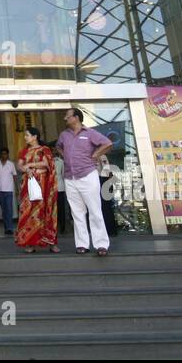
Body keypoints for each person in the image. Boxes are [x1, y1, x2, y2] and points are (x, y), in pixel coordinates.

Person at [55, 106, 113, 255]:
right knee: (77, 213)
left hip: (87, 175)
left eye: (67, 116)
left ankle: (101, 245)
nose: (65, 119)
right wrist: (66, 157)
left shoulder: (90, 133)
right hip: (70, 178)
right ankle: (82, 244)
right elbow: (58, 147)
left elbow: (107, 143)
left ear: (76, 118)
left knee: (94, 211)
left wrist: (95, 155)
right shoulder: (64, 135)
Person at [15, 127, 59, 253]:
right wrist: (26, 169)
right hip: (28, 184)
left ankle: (51, 242)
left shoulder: (44, 150)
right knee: (28, 212)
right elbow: (19, 165)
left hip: (44, 184)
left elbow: (47, 164)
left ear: (35, 137)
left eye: (27, 135)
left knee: (45, 210)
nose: (25, 137)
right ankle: (30, 243)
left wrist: (30, 165)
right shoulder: (24, 151)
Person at [0, 147, 18, 235]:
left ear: (7, 154)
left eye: (5, 154)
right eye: (2, 154)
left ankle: (9, 228)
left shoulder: (11, 164)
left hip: (9, 190)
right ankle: (6, 227)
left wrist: (17, 188)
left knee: (9, 209)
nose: (4, 155)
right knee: (4, 210)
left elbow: (15, 176)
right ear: (0, 155)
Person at [54, 152, 69, 234]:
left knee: (60, 208)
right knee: (55, 209)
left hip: (58, 188)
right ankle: (57, 227)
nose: (53, 152)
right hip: (54, 188)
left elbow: (64, 175)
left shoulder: (60, 162)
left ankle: (61, 226)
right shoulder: (48, 161)